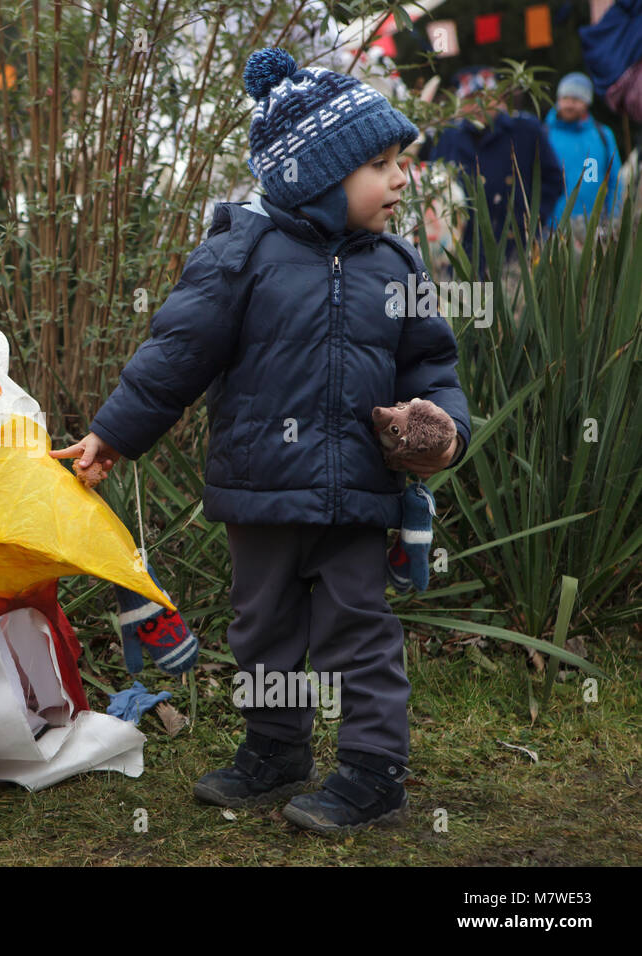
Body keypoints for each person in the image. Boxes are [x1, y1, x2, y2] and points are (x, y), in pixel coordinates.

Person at [51, 47, 472, 834]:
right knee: (263, 630)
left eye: (398, 163)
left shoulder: (398, 265)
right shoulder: (240, 255)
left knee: (360, 631)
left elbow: (434, 366)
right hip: (260, 491)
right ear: (318, 173)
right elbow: (176, 355)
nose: (398, 180)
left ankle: (374, 772)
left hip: (355, 495)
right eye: (379, 164)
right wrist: (113, 435)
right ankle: (276, 748)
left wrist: (443, 433)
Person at [421, 66, 563, 275]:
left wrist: (533, 217)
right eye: (471, 99)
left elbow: (552, 179)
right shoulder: (448, 136)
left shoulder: (525, 130)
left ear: (499, 99)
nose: (480, 106)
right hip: (462, 250)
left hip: (515, 248)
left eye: (486, 98)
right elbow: (434, 185)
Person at [544, 72, 622, 235]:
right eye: (565, 99)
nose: (569, 104)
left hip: (595, 227)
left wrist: (615, 217)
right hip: (551, 228)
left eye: (576, 99)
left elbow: (615, 180)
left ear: (587, 102)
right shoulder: (543, 134)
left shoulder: (603, 135)